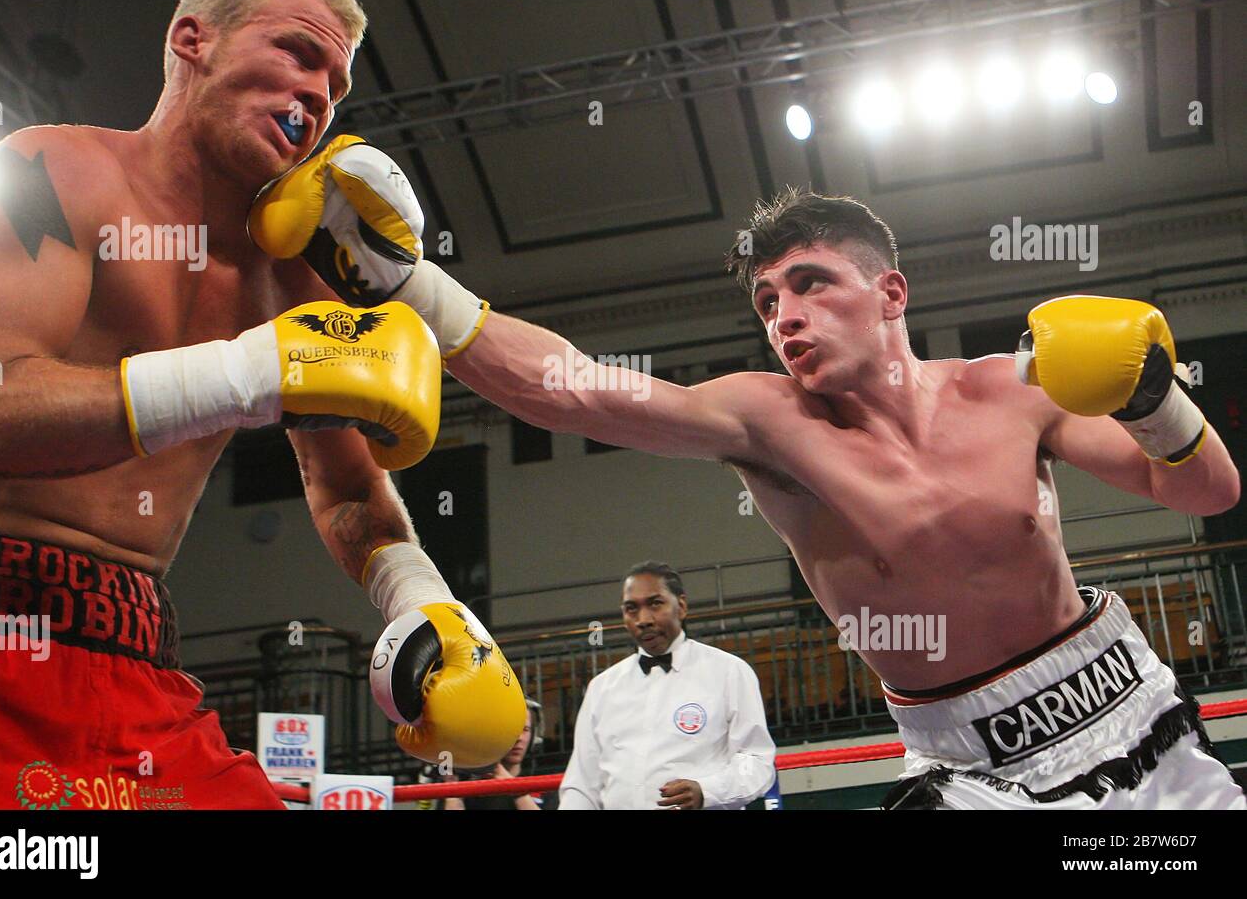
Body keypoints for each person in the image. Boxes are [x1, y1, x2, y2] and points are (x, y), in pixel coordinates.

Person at [251, 147, 1244, 807]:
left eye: (810, 283)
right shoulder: (766, 420)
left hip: (1125, 713)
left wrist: (1153, 391)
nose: (784, 315)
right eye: (768, 298)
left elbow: (1204, 490)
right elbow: (578, 390)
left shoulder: (1016, 387)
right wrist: (408, 281)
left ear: (890, 291)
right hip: (965, 768)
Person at [0, 0, 520, 810]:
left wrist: (427, 605)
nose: (318, 92)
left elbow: (348, 488)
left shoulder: (296, 281)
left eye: (335, 81)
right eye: (296, 51)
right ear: (192, 40)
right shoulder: (48, 172)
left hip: (138, 654)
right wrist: (248, 370)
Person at [556, 562, 775, 809]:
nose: (643, 620)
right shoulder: (602, 689)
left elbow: (755, 761)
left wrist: (708, 791)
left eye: (655, 603)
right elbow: (582, 785)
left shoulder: (729, 672)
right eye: (631, 609)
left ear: (681, 606)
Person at [440, 698, 556, 810]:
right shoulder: (471, 787)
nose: (518, 738)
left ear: (533, 737)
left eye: (525, 729)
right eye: (510, 729)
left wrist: (515, 788)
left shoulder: (545, 784)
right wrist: (453, 791)